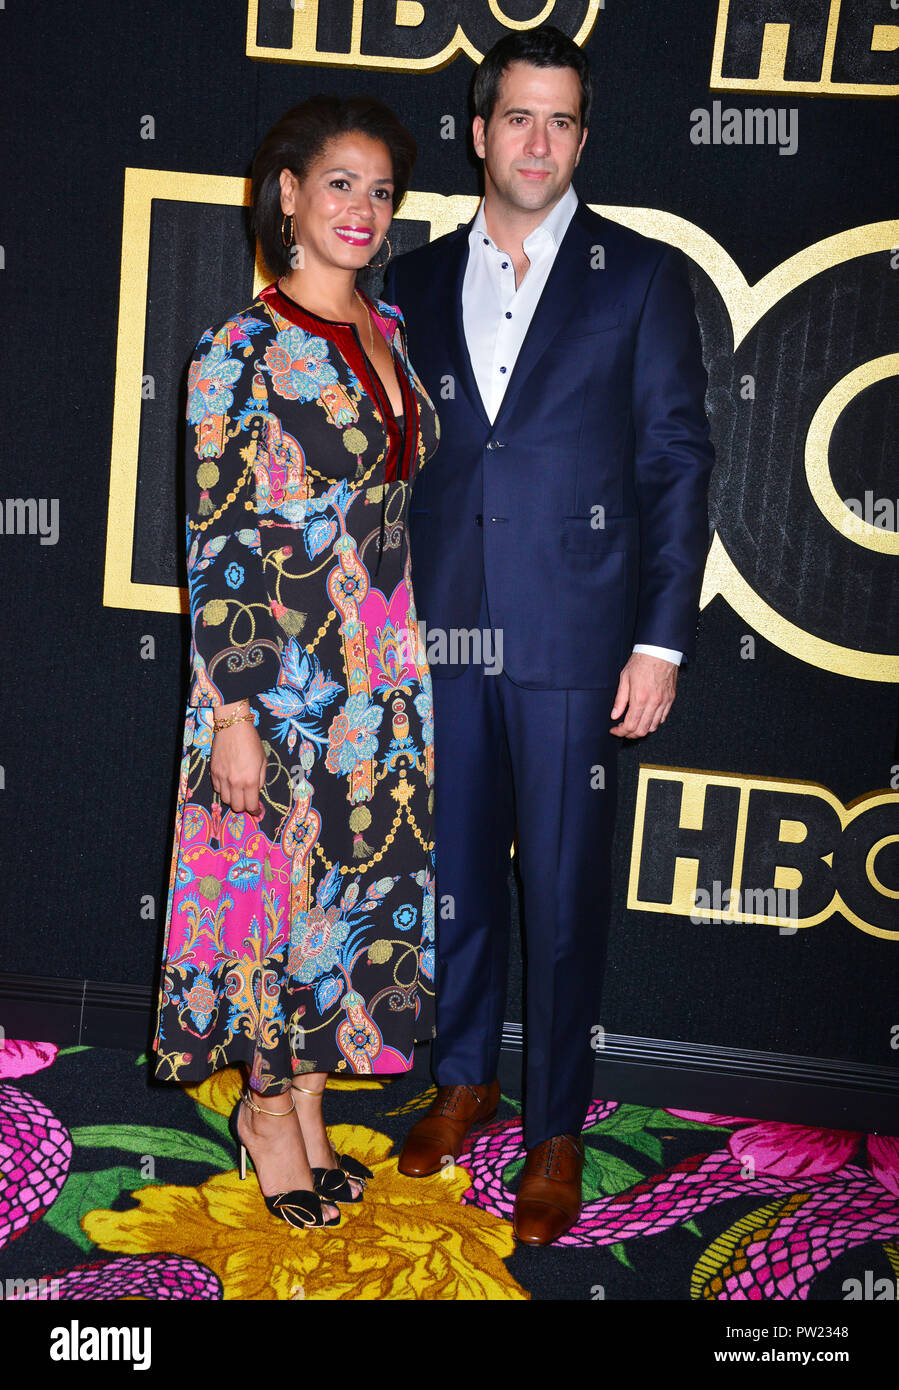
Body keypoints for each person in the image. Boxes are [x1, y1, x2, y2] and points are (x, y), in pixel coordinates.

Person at [385, 26, 715, 1244]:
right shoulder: (409, 280)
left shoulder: (634, 274)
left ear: (581, 135)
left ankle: (555, 1125)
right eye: (516, 118)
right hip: (439, 634)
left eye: (560, 121)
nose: (537, 142)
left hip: (579, 637)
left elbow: (676, 462)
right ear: (478, 133)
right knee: (455, 876)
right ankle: (463, 1073)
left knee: (566, 894)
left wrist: (660, 641)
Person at [153, 95, 439, 1229]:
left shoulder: (392, 329)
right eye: (339, 184)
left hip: (382, 674)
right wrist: (228, 710)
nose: (362, 209)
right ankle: (264, 1114)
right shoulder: (236, 351)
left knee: (351, 900)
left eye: (379, 191)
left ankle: (311, 1103)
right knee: (280, 900)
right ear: (287, 195)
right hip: (279, 682)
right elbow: (216, 539)